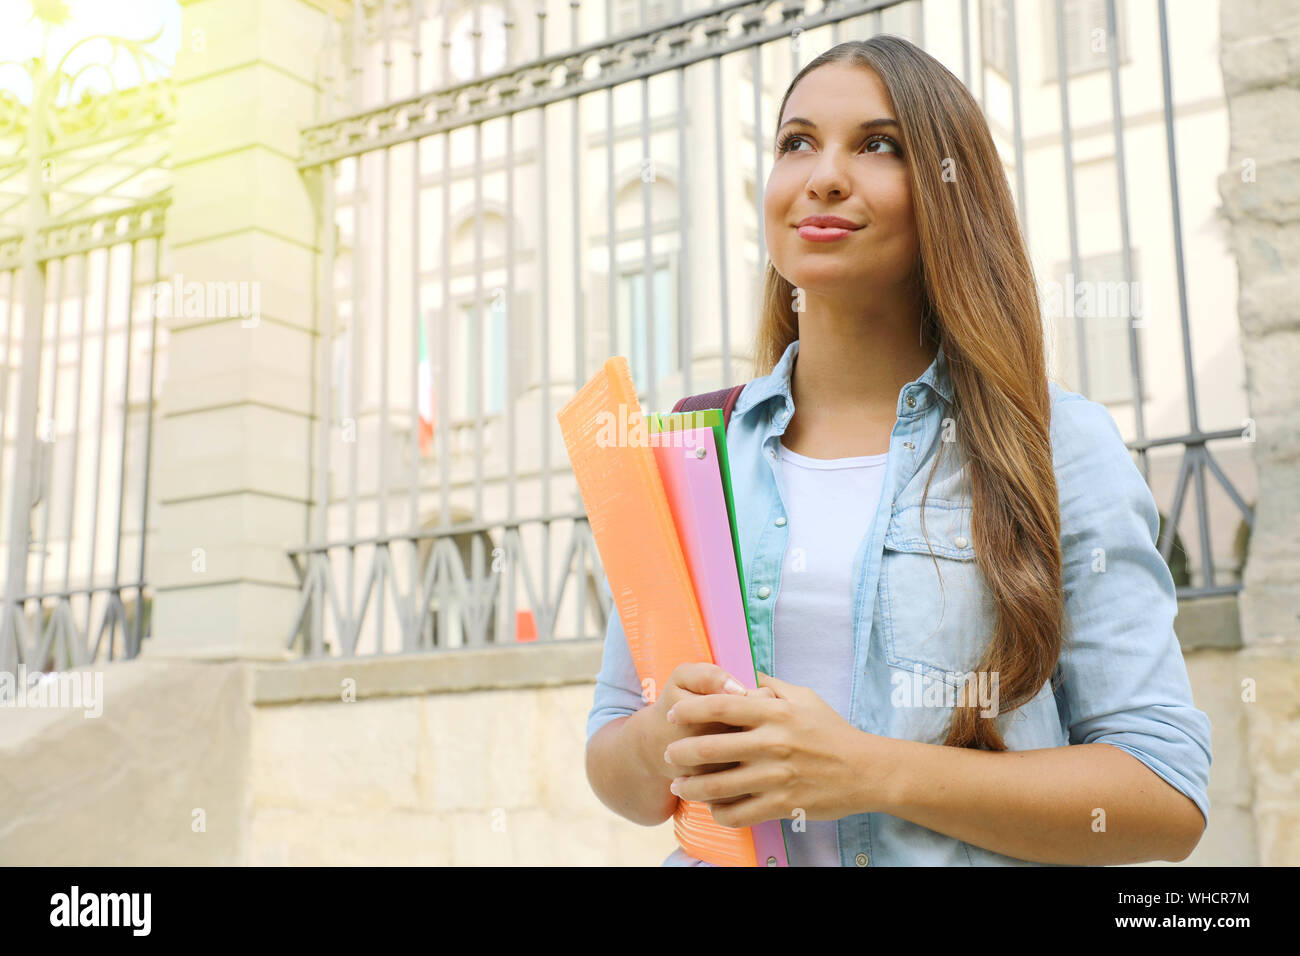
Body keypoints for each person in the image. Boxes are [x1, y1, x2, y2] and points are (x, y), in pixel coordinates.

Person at [583, 35, 1211, 866]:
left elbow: (1163, 796)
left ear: (952, 195)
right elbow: (618, 770)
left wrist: (869, 772)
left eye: (879, 146)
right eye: (796, 142)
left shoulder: (1056, 444)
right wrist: (663, 735)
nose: (823, 175)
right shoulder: (698, 448)